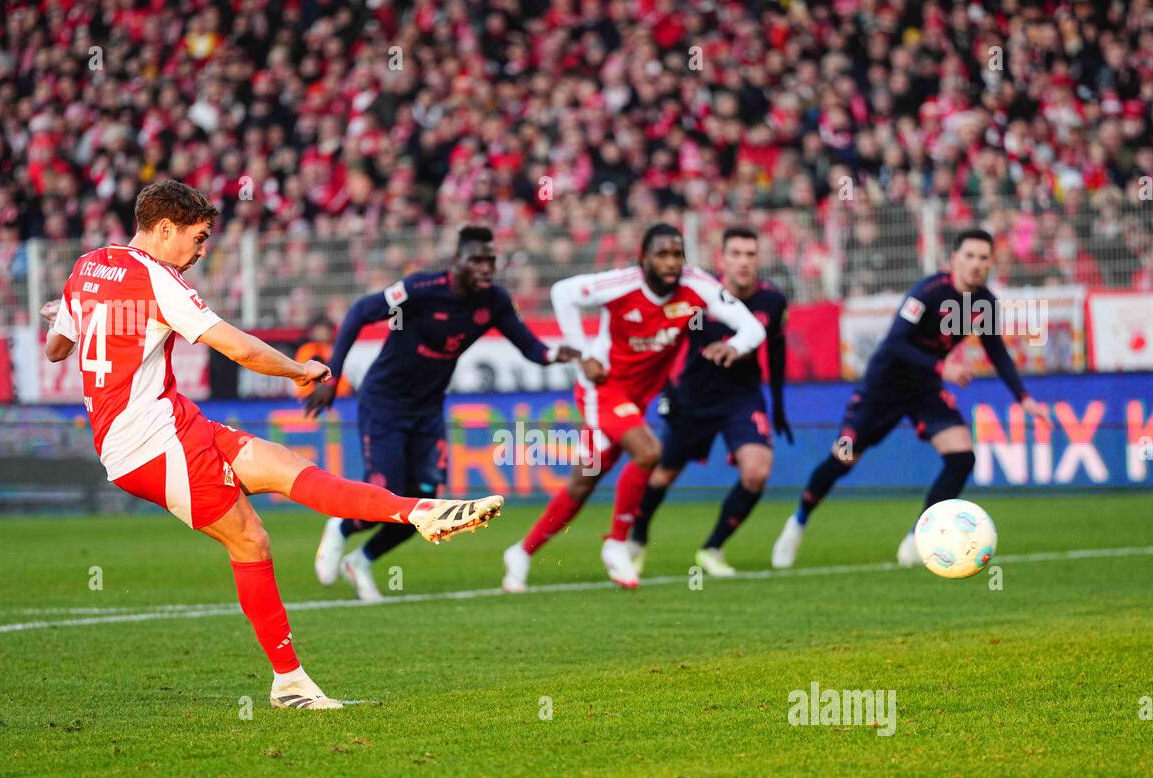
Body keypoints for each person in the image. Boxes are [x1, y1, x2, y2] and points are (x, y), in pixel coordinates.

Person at [42, 180, 503, 711]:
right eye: (197, 238)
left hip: (174, 421)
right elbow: (237, 347)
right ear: (164, 229)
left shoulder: (88, 266)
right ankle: (289, 683)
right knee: (251, 541)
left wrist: (61, 315)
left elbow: (58, 349)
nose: (201, 251)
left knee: (288, 466)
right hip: (149, 444)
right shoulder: (158, 279)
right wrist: (299, 370)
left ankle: (420, 512)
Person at [302, 226, 579, 601]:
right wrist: (332, 375)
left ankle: (362, 560)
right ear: (456, 263)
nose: (485, 268)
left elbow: (528, 345)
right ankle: (340, 527)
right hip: (385, 402)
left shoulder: (494, 301)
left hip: (428, 409)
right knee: (387, 491)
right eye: (477, 260)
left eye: (490, 261)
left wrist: (553, 355)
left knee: (427, 504)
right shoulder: (421, 289)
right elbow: (359, 312)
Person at [501, 223, 766, 591]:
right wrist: (584, 355)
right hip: (603, 389)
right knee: (649, 451)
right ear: (643, 259)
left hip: (636, 400)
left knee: (582, 483)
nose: (671, 262)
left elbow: (753, 328)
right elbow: (563, 292)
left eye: (677, 254)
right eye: (662, 254)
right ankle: (616, 541)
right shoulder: (621, 284)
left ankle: (522, 552)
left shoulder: (698, 286)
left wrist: (735, 347)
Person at [771, 228, 1049, 569]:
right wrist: (941, 367)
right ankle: (797, 523)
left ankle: (919, 538)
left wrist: (1023, 397)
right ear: (953, 260)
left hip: (925, 389)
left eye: (983, 258)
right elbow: (895, 344)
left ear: (991, 262)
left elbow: (997, 351)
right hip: (884, 386)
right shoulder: (929, 293)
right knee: (841, 458)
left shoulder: (984, 303)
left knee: (962, 456)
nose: (976, 264)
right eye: (969, 256)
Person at [628, 226, 791, 577]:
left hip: (742, 398)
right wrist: (667, 394)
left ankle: (712, 548)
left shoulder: (772, 302)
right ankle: (637, 537)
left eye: (750, 254)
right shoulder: (699, 296)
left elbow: (776, 351)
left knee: (757, 471)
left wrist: (778, 403)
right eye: (735, 254)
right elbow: (667, 344)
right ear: (722, 259)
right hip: (694, 398)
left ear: (758, 259)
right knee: (661, 476)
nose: (743, 262)